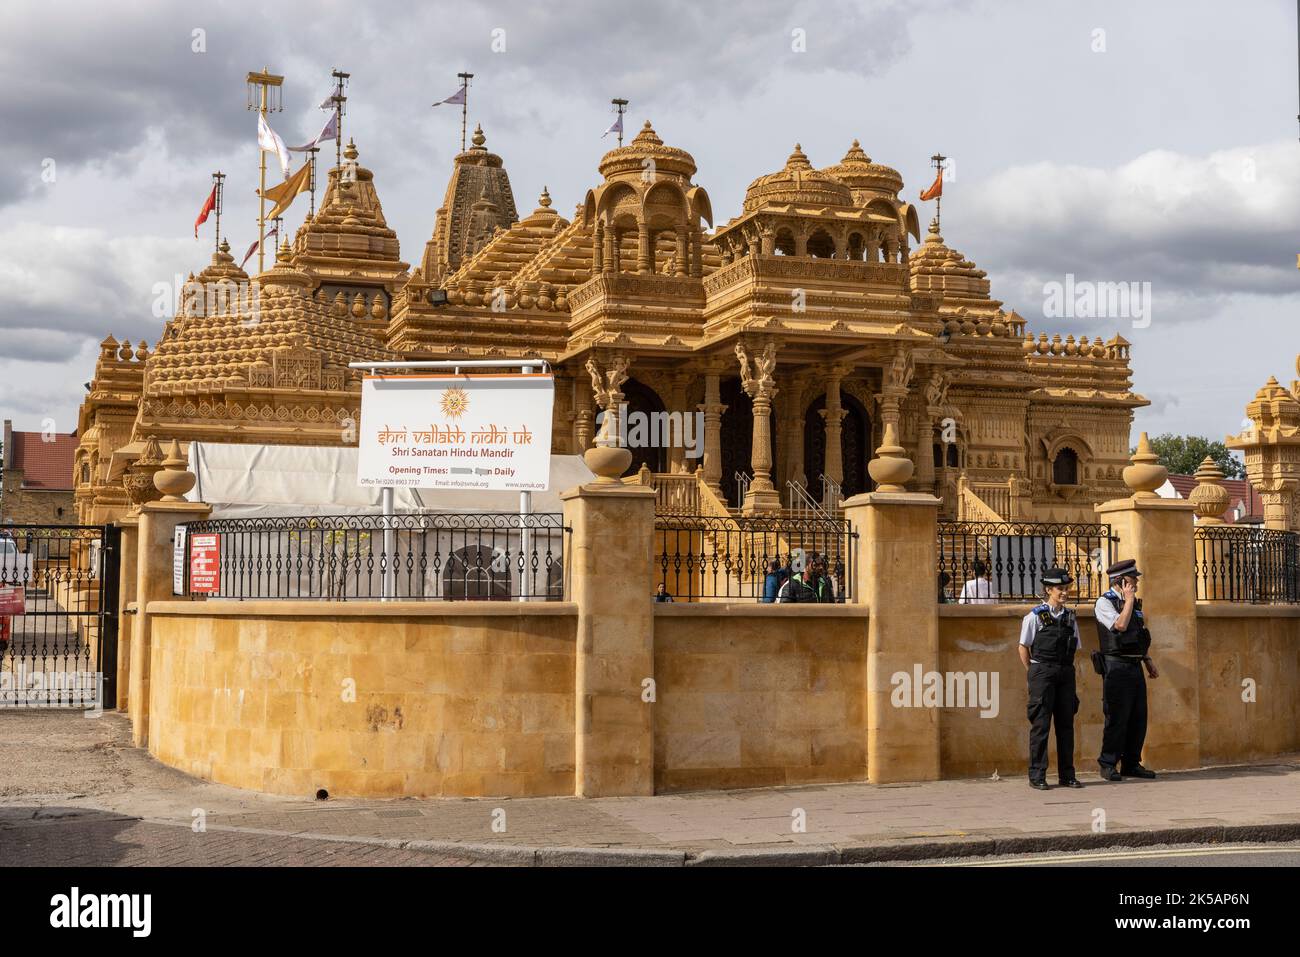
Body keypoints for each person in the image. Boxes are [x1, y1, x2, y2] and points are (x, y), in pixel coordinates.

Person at [1018, 567, 1084, 791]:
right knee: (1041, 725)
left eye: (1066, 588)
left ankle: (1067, 775)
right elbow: (1023, 647)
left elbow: (1076, 647)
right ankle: (1037, 774)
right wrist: (1033, 672)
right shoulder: (1035, 616)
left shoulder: (1070, 618)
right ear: (1048, 590)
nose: (1064, 592)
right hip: (1042, 672)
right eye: (1060, 589)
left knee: (1066, 725)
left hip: (1065, 672)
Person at [1094, 559, 1159, 781]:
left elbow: (1137, 636)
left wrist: (1147, 660)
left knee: (1138, 716)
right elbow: (1120, 626)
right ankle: (1108, 763)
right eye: (1133, 579)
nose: (1137, 583)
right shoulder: (1105, 602)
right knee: (1117, 717)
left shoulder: (1134, 604)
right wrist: (1129, 600)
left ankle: (1131, 763)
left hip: (1134, 664)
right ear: (1121, 581)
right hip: (1116, 666)